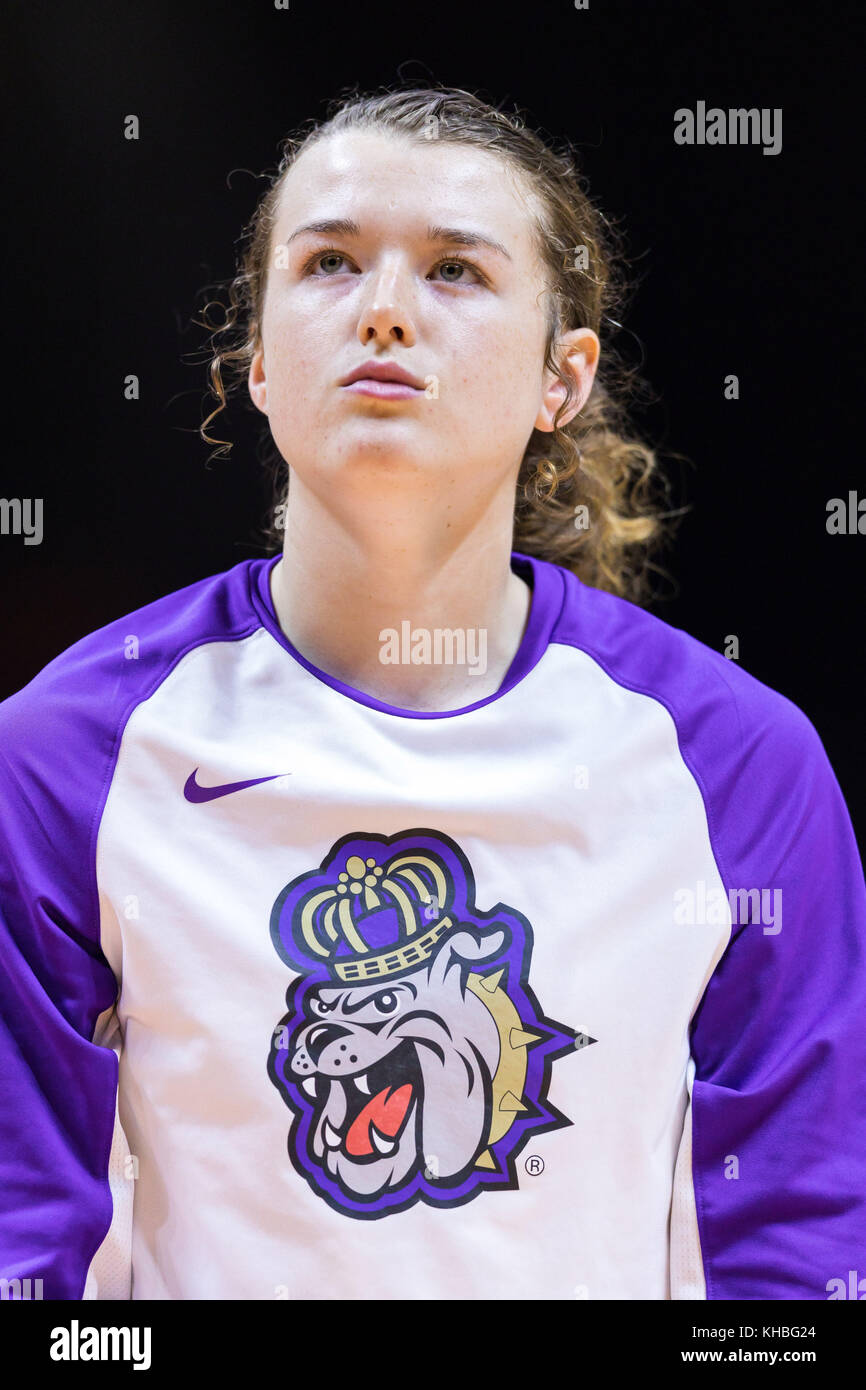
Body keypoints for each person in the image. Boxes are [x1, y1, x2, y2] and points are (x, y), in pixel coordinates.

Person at [1, 84, 863, 1302]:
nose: (386, 313)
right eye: (331, 264)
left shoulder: (735, 766)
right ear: (255, 357)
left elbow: (798, 1248)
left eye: (455, 270)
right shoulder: (63, 758)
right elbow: (19, 1249)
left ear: (560, 378)